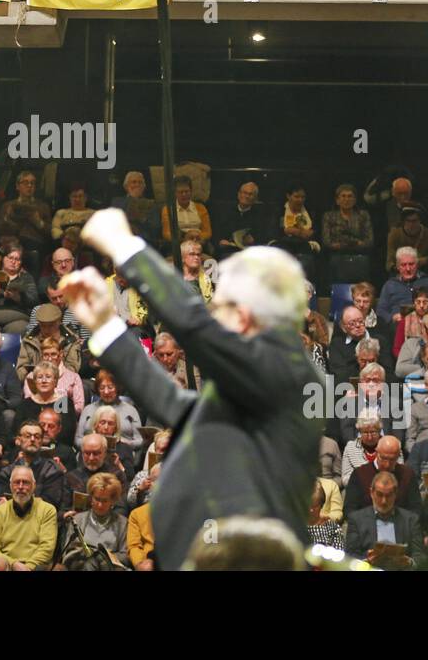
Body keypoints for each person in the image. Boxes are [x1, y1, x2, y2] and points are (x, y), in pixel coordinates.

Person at [61, 208, 321, 569]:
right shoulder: (254, 381)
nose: (215, 315)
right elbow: (176, 406)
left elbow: (194, 325)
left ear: (244, 314)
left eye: (223, 308)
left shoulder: (286, 371)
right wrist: (105, 327)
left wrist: (125, 247)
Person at [343, 471, 422, 569]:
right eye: (379, 495)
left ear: (395, 494)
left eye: (388, 495)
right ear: (371, 493)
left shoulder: (410, 519)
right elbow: (350, 556)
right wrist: (367, 561)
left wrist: (409, 562)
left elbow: (420, 556)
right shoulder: (356, 519)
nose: (383, 501)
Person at [0, 465, 58, 571]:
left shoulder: (48, 510)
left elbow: (47, 548)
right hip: (6, 566)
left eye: (26, 482)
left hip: (36, 567)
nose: (20, 486)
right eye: (17, 482)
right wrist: (14, 564)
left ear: (34, 486)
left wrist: (28, 567)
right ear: (10, 486)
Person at [60, 471, 131, 569]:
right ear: (91, 498)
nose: (100, 505)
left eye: (105, 501)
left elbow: (126, 556)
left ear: (113, 501)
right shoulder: (78, 520)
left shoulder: (122, 523)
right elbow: (68, 552)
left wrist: (101, 557)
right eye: (97, 499)